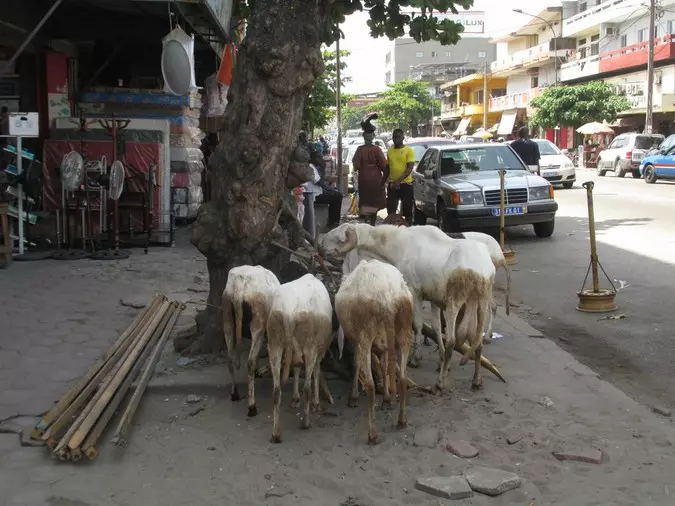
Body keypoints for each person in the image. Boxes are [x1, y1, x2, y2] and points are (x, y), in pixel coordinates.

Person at [352, 113, 387, 225]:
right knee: (374, 203)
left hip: (364, 180)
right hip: (376, 181)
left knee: (366, 202)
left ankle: (368, 221)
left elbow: (356, 166)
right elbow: (384, 166)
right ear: (372, 137)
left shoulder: (359, 149)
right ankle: (372, 222)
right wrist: (384, 181)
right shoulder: (377, 150)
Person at [386, 128, 415, 224]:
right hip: (392, 185)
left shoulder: (409, 150)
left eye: (398, 137)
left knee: (407, 209)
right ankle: (391, 229)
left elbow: (409, 169)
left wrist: (398, 181)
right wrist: (382, 182)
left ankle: (408, 227)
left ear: (403, 137)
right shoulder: (390, 151)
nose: (396, 139)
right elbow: (388, 168)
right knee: (391, 210)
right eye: (394, 137)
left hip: (405, 184)